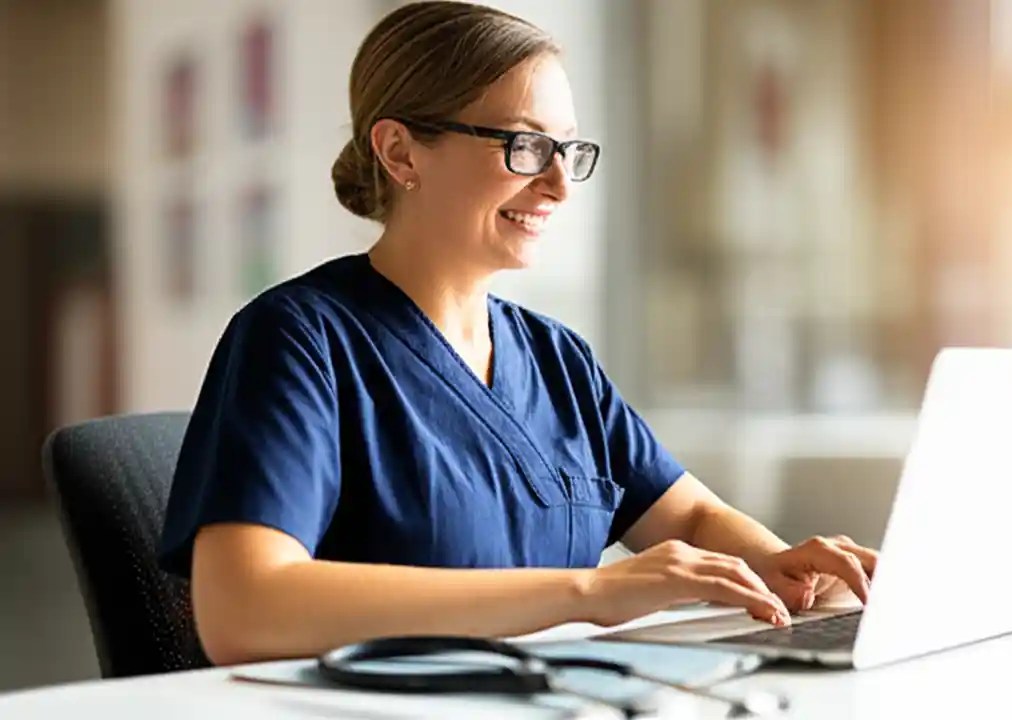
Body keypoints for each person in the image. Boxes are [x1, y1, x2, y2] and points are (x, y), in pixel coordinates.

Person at [159, 0, 877, 666]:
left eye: (568, 150)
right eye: (525, 147)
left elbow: (686, 518)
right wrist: (587, 591)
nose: (560, 185)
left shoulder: (556, 358)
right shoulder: (299, 340)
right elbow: (243, 610)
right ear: (402, 153)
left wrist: (778, 567)